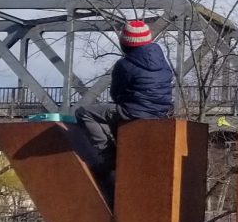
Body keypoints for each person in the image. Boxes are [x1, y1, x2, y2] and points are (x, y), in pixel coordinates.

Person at [74, 18, 174, 195]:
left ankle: (107, 157)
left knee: (85, 113)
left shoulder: (125, 65)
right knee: (109, 115)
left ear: (125, 43)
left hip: (134, 112)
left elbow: (116, 93)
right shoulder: (162, 61)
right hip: (160, 112)